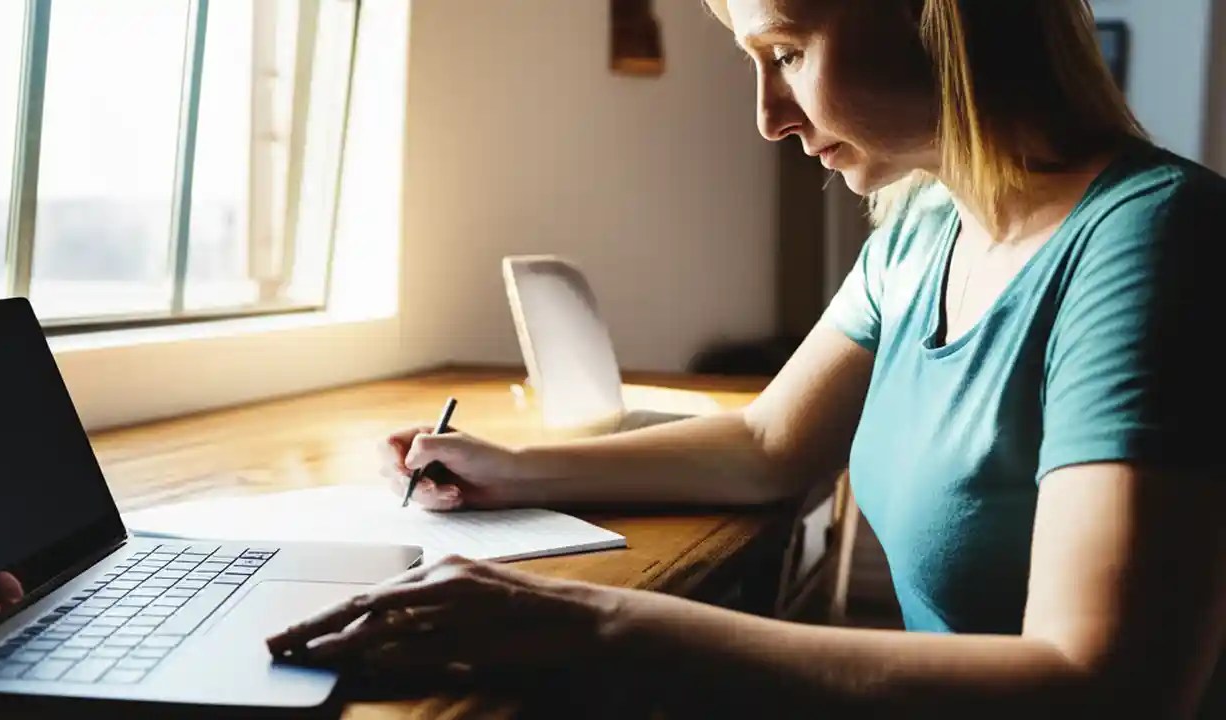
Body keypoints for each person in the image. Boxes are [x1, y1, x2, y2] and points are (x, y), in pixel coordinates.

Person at [267, 0, 1226, 715]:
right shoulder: (925, 230)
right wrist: (510, 470)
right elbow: (768, 443)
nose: (769, 115)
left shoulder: (1151, 239)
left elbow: (1107, 685)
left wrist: (590, 621)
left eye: (787, 52)